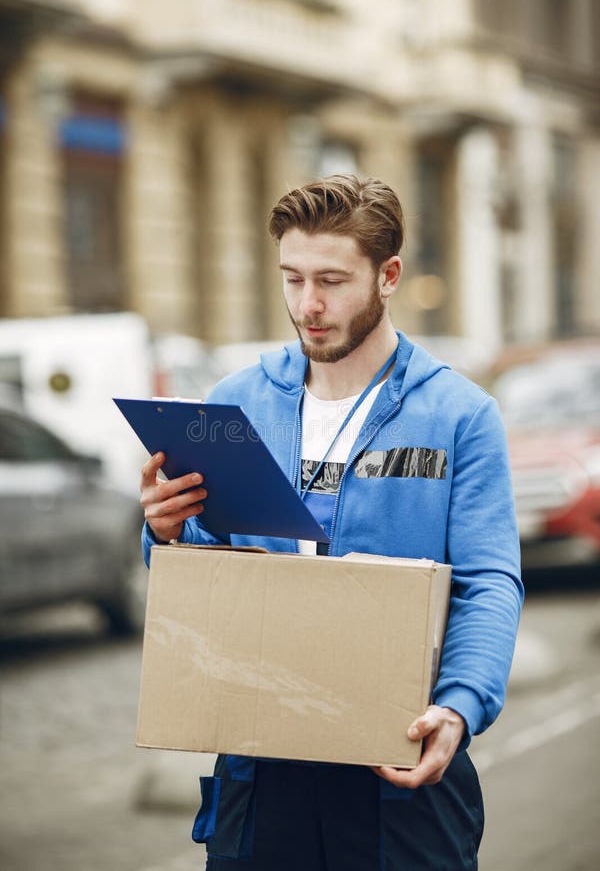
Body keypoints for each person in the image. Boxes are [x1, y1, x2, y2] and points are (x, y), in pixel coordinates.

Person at [139, 174, 523, 870]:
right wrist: (167, 533)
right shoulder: (237, 404)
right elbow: (206, 572)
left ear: (388, 276)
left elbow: (488, 582)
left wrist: (460, 707)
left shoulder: (459, 415)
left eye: (332, 281)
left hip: (400, 769)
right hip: (260, 773)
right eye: (291, 279)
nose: (308, 306)